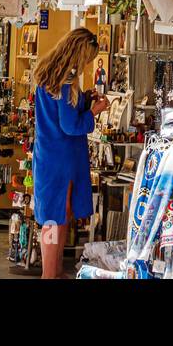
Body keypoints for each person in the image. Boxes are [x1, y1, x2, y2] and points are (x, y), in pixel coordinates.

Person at [32, 26, 106, 279]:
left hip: (50, 156)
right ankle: (49, 273)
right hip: (61, 159)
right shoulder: (65, 81)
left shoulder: (49, 75)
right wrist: (94, 111)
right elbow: (70, 125)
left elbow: (59, 114)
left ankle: (52, 271)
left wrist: (83, 100)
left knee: (56, 217)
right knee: (55, 218)